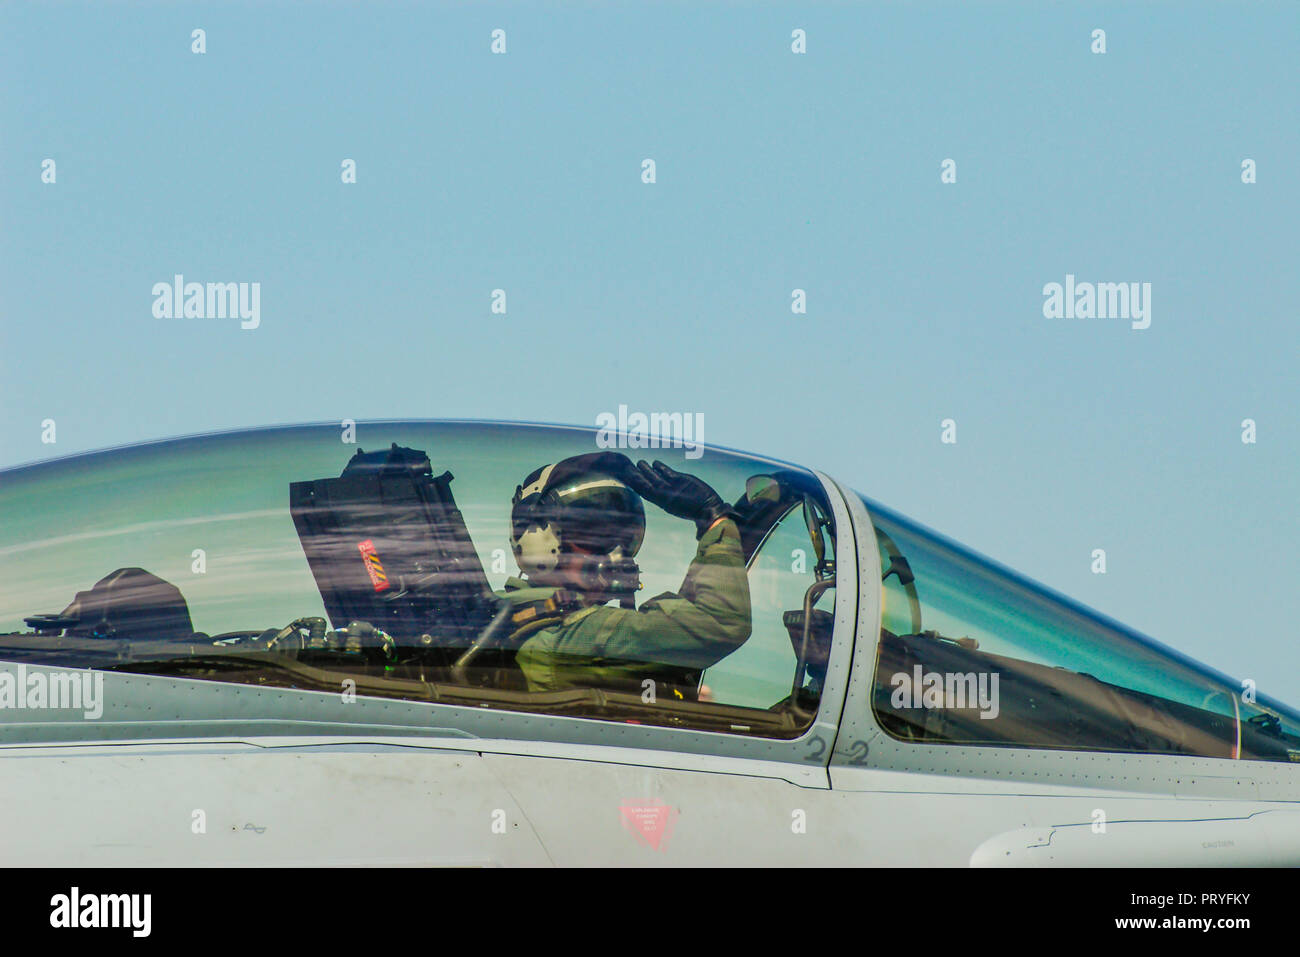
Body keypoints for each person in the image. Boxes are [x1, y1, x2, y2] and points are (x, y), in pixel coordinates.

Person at [500, 451, 751, 697]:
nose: (616, 552)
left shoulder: (514, 618)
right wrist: (714, 520)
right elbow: (720, 623)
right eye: (594, 533)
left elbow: (683, 630)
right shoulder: (573, 635)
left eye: (623, 537)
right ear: (536, 538)